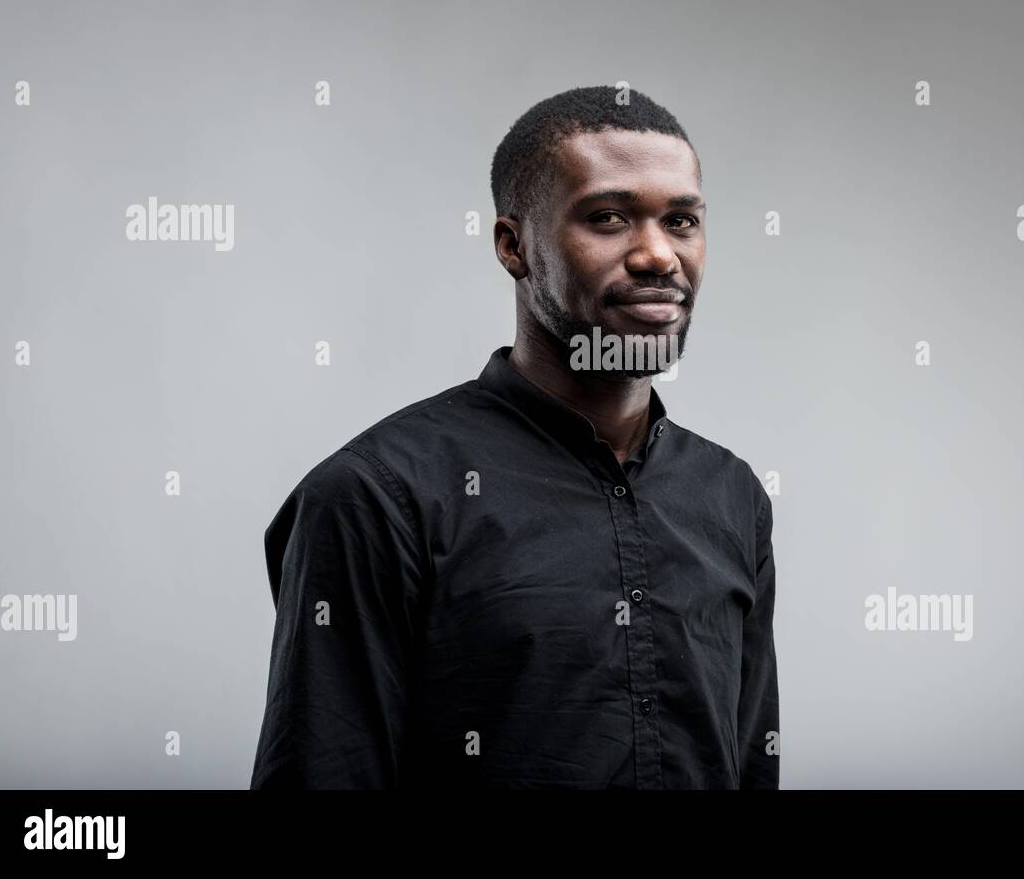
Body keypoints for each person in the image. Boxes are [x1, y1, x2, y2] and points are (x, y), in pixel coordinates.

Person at [250, 85, 779, 788]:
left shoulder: (731, 494)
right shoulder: (375, 498)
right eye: (609, 217)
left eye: (681, 221)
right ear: (513, 245)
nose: (656, 255)